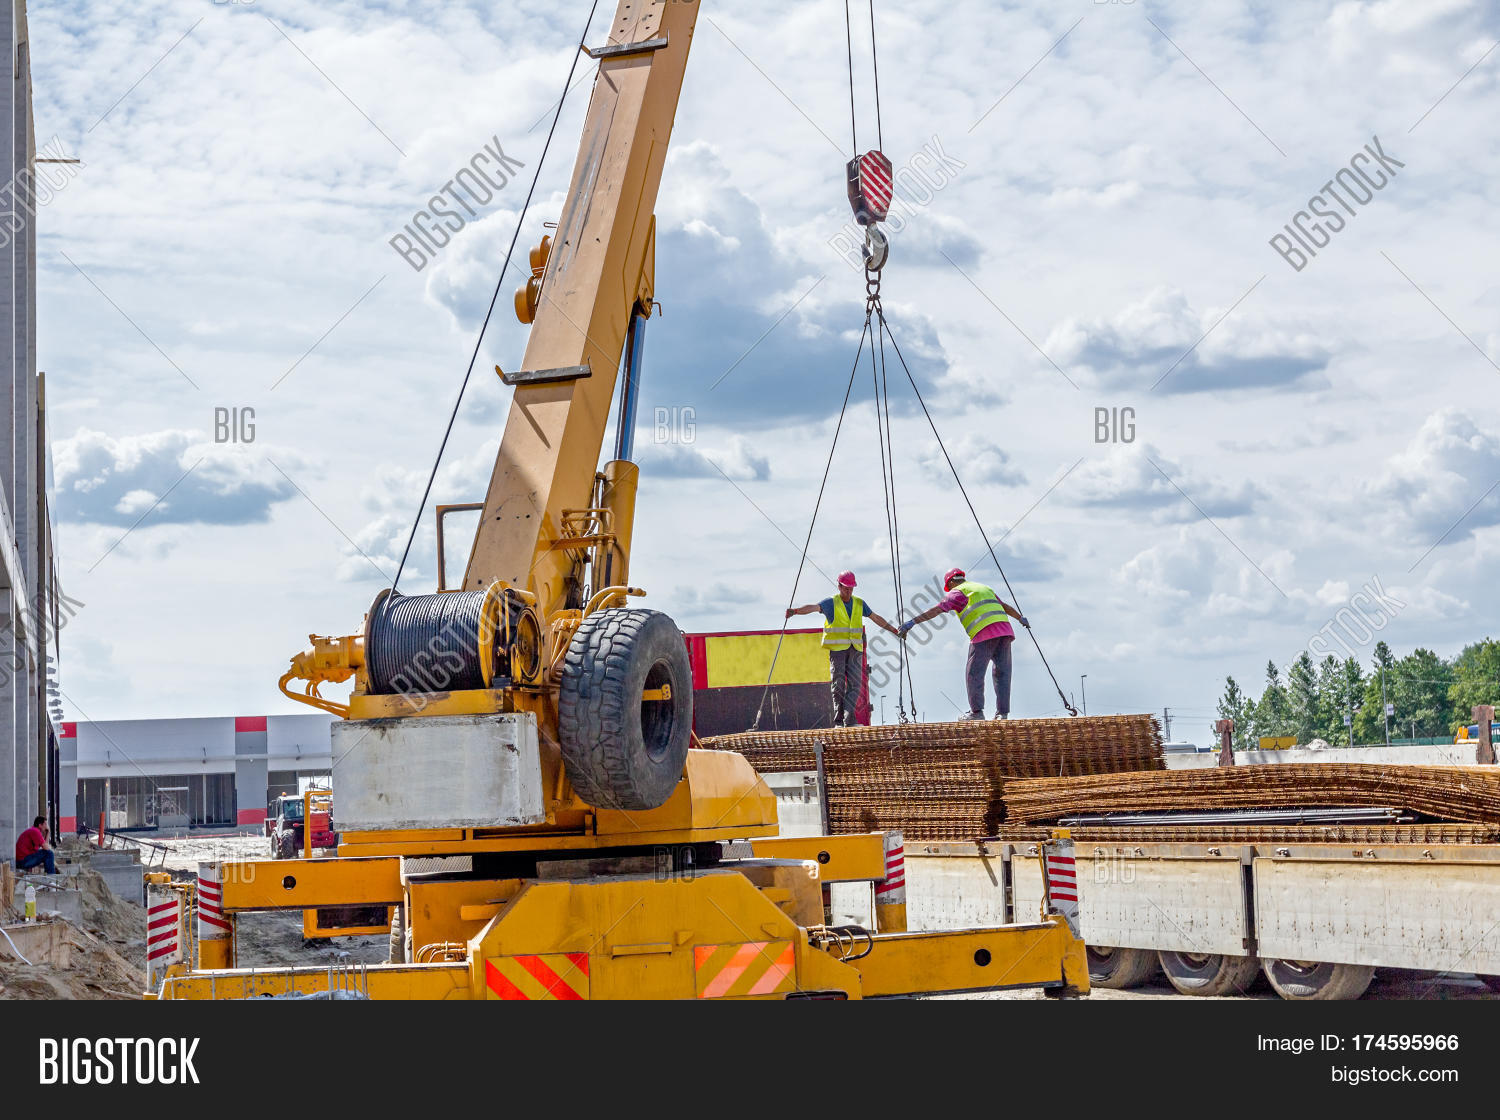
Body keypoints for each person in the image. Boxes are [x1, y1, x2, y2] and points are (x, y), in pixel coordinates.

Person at [901, 568, 1029, 721]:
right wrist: (1020, 618)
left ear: (951, 583)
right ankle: (1002, 714)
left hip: (984, 633)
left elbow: (936, 610)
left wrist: (912, 622)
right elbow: (1005, 607)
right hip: (1005, 632)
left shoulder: (957, 592)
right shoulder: (984, 588)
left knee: (974, 673)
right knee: (1002, 674)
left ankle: (976, 713)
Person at [786, 571, 902, 727]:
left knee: (855, 685)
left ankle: (849, 720)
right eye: (846, 588)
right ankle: (839, 721)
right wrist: (795, 611)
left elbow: (876, 618)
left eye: (851, 588)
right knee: (838, 685)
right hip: (838, 651)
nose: (849, 591)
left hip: (855, 650)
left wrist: (894, 630)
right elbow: (813, 607)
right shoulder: (831, 603)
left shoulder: (859, 603)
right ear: (839, 586)